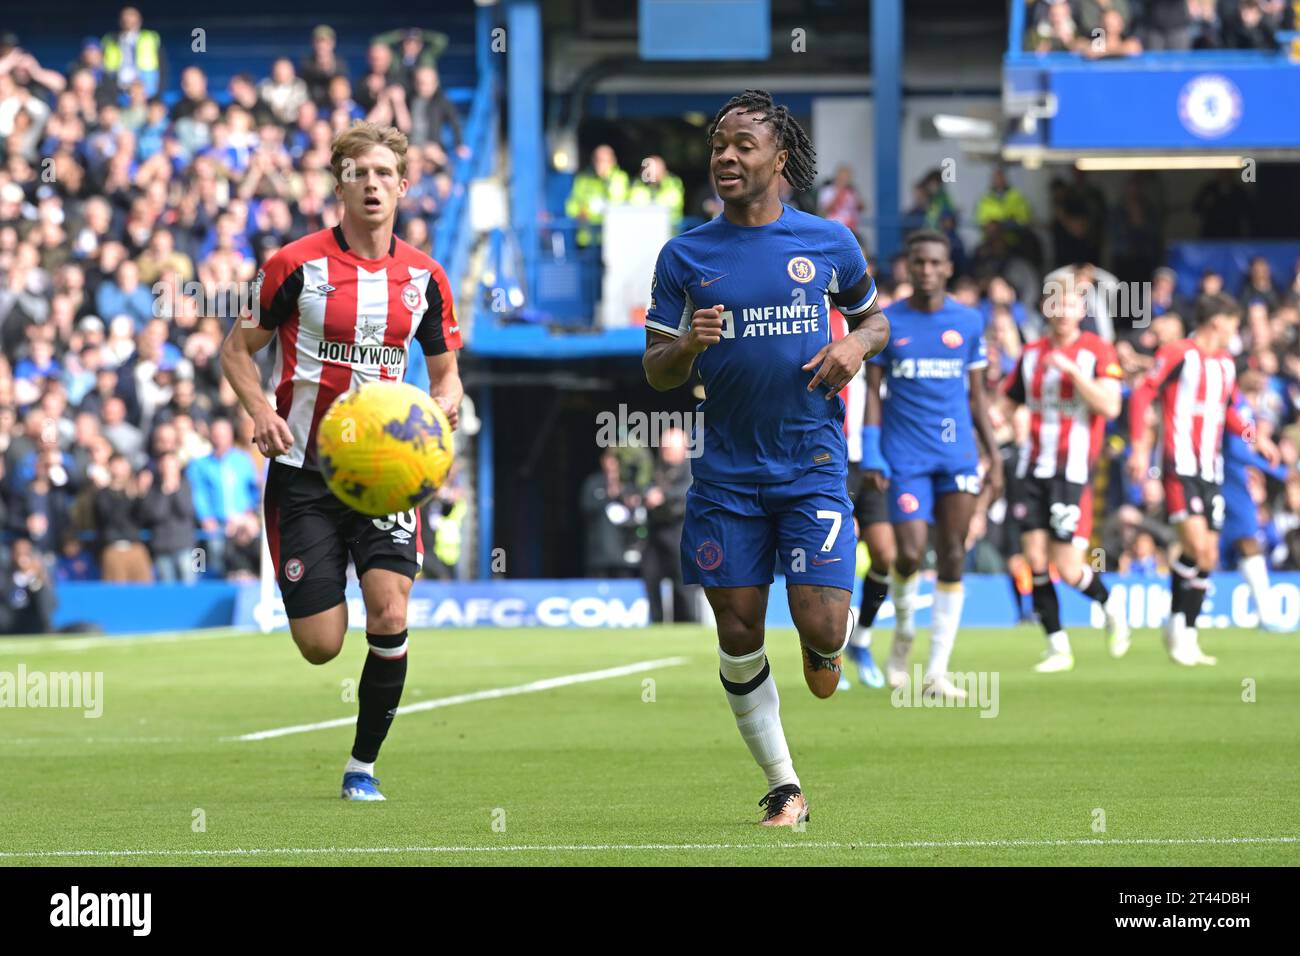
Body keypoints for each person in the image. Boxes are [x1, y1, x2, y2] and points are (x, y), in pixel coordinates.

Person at [642, 90, 888, 827]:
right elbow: (655, 368)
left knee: (818, 629)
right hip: (726, 477)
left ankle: (826, 647)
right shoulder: (684, 255)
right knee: (739, 629)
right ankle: (786, 786)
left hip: (810, 461)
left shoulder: (830, 243)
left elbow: (875, 320)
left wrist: (853, 343)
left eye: (743, 144)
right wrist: (687, 345)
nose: (726, 156)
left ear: (779, 159)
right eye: (719, 144)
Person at [219, 121, 463, 802]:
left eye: (385, 173)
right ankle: (325, 592)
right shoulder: (292, 265)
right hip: (302, 471)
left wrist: (444, 400)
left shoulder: (426, 278)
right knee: (322, 644)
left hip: (387, 473)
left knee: (389, 612)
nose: (373, 184)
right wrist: (261, 413)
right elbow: (235, 351)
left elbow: (447, 374)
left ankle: (363, 765)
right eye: (359, 173)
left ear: (404, 185)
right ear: (340, 185)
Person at [862, 230, 1003, 698]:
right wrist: (872, 449)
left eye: (934, 263)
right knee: (907, 552)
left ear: (947, 269)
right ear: (907, 266)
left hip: (957, 455)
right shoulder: (885, 323)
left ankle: (937, 671)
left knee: (953, 553)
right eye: (917, 262)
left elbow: (978, 398)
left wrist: (994, 457)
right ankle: (903, 634)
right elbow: (873, 396)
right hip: (905, 458)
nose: (926, 270)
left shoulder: (967, 322)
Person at [1128, 295, 1280, 665]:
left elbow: (1227, 412)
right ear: (1217, 322)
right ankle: (1179, 628)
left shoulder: (1226, 365)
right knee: (1196, 546)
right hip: (1179, 467)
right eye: (1232, 323)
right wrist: (1137, 447)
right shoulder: (1179, 353)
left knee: (1208, 554)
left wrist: (1255, 438)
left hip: (1210, 470)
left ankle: (1184, 630)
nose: (1235, 331)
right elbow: (1143, 393)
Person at [999, 285, 1128, 671]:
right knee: (1034, 560)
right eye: (1056, 303)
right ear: (1046, 308)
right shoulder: (1031, 353)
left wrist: (1074, 374)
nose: (1063, 311)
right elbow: (1007, 404)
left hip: (1070, 473)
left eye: (1070, 304)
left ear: (1082, 309)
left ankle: (1109, 603)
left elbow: (1110, 404)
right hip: (1031, 469)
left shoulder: (1097, 350)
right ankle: (1058, 646)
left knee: (1070, 568)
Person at [1220, 396, 1290, 630]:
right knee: (1245, 541)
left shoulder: (1242, 405)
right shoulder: (1232, 400)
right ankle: (1266, 614)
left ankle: (1265, 613)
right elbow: (1237, 451)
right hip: (1228, 478)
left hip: (1232, 479)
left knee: (1246, 542)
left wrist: (1257, 440)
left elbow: (1243, 439)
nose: (1260, 375)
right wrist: (1279, 472)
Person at [640, 428, 694, 623]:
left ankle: (687, 621)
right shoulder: (658, 468)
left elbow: (688, 491)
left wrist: (662, 496)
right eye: (664, 447)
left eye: (670, 447)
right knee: (651, 577)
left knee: (682, 582)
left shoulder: (691, 468)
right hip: (655, 532)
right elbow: (644, 486)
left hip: (679, 532)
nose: (666, 450)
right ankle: (656, 620)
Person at [566, 145, 630, 247]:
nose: (601, 164)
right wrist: (578, 212)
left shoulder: (620, 178)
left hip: (612, 239)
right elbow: (571, 205)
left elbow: (618, 202)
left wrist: (606, 177)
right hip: (586, 240)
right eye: (598, 160)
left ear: (613, 161)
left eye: (605, 161)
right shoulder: (583, 180)